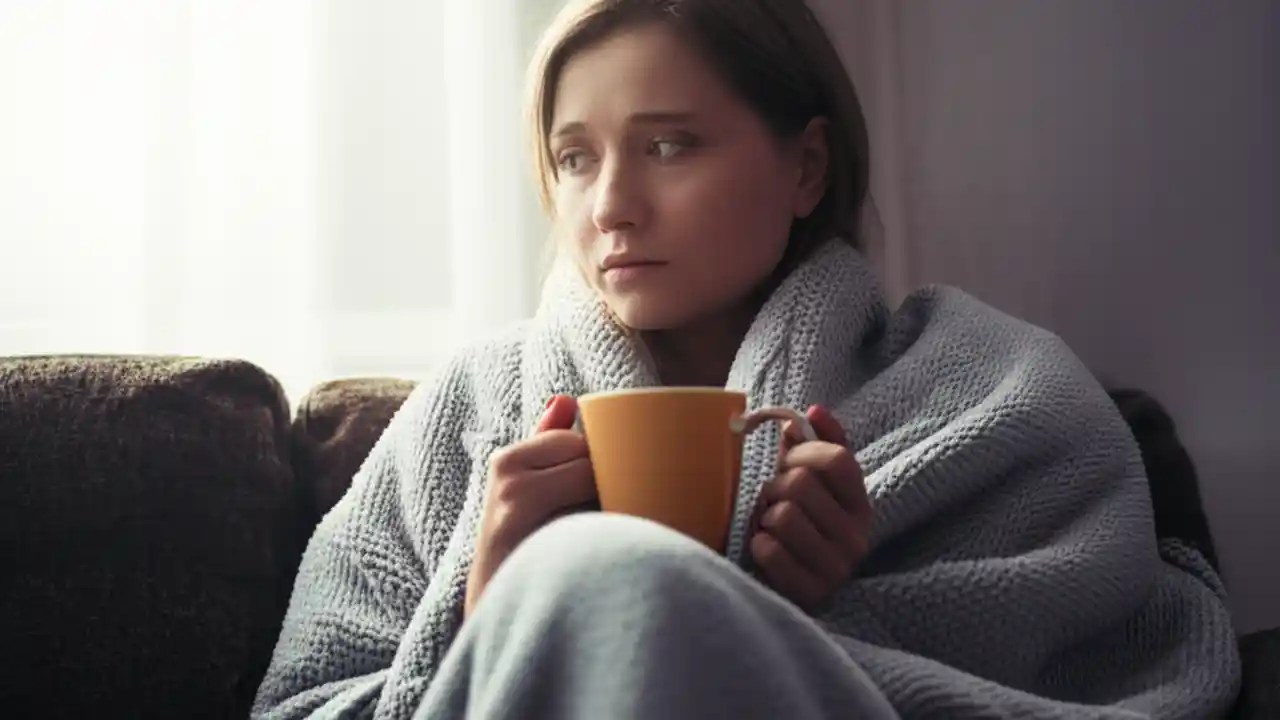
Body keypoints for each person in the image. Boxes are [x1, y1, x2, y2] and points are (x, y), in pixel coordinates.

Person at [253, 1, 1241, 718]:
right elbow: (302, 703)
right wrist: (497, 617)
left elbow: (1127, 662)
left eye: (668, 146)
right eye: (575, 158)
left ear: (805, 166)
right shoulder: (467, 414)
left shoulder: (994, 390)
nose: (610, 207)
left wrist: (823, 609)